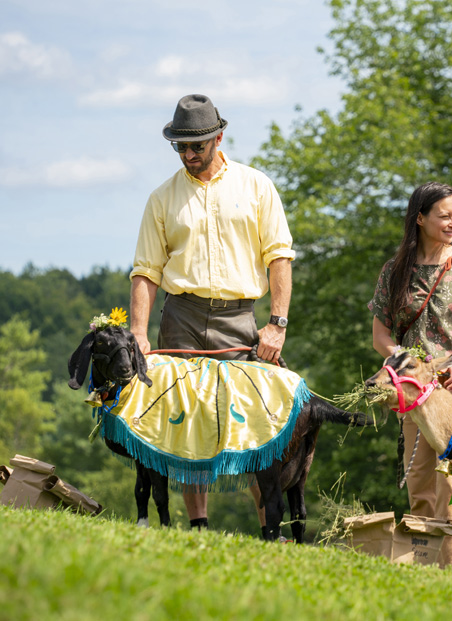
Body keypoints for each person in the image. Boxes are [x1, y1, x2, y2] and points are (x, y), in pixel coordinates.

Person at [129, 94, 295, 534]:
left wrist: (277, 324)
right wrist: (138, 334)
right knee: (186, 420)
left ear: (219, 137)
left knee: (258, 424)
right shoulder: (162, 197)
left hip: (240, 319)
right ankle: (198, 526)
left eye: (196, 146)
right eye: (180, 147)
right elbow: (145, 270)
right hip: (180, 314)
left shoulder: (256, 186)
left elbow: (279, 256)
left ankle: (269, 531)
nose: (187, 155)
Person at [368, 181, 452, 573]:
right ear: (420, 218)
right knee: (420, 477)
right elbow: (380, 336)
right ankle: (423, 570)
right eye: (444, 215)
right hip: (414, 389)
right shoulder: (395, 270)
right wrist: (403, 360)